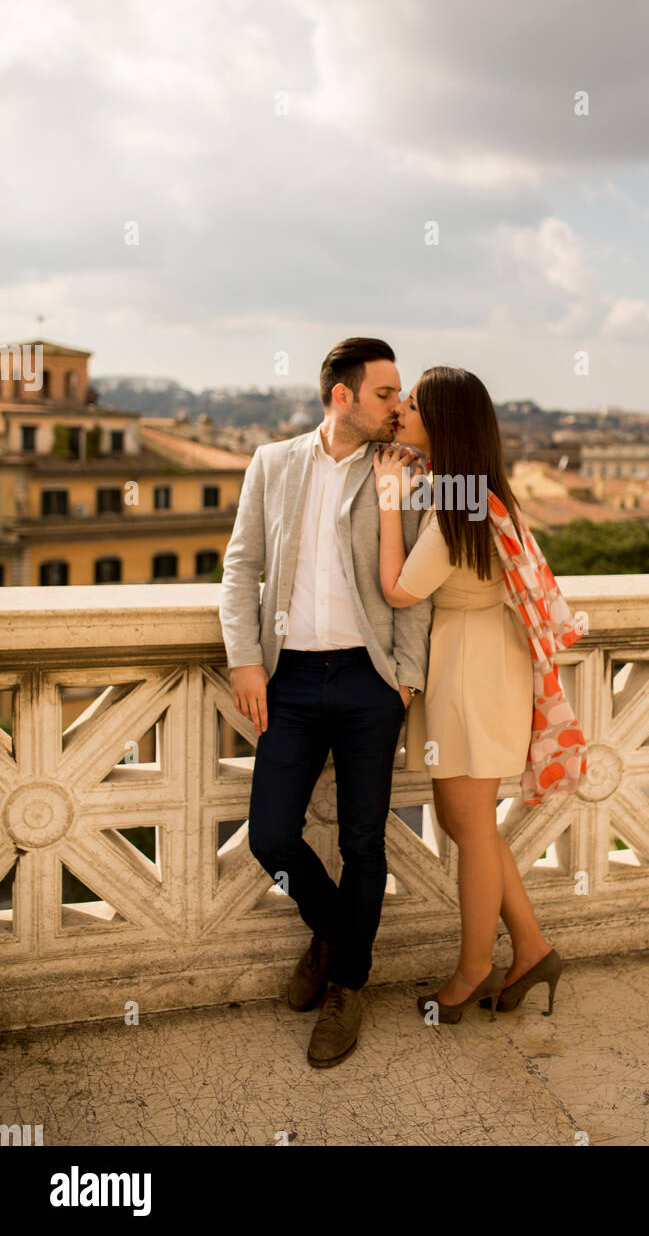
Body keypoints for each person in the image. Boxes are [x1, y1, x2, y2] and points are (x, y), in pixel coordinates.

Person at [219, 338, 431, 1067]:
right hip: (290, 682)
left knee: (363, 843)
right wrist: (245, 660)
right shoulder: (273, 464)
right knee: (270, 836)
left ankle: (347, 984)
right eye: (385, 394)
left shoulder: (401, 474)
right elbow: (242, 565)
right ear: (341, 396)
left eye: (401, 395)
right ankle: (339, 932)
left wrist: (405, 674)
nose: (398, 407)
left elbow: (415, 588)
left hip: (371, 684)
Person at [372, 365, 563, 1024]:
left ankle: (474, 968)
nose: (401, 410)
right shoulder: (474, 493)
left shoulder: (457, 509)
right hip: (481, 665)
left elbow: (400, 588)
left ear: (443, 424)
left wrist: (389, 497)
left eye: (414, 404)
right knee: (470, 824)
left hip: (469, 675)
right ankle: (532, 949)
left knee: (471, 829)